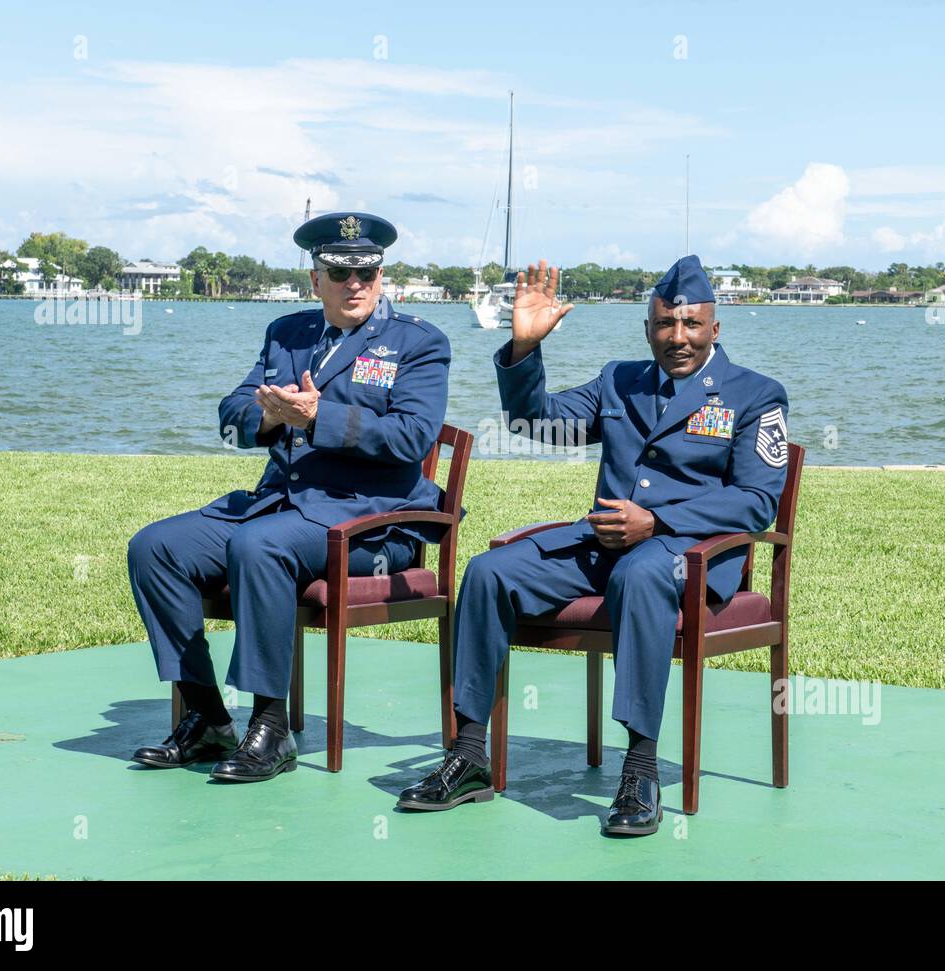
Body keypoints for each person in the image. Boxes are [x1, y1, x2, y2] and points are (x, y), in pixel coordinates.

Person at [397, 255, 789, 835]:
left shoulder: (754, 394)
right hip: (603, 543)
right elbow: (538, 422)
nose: (676, 337)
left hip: (691, 556)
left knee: (641, 576)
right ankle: (470, 753)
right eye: (664, 325)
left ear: (714, 328)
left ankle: (640, 770)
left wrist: (654, 520)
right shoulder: (619, 380)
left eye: (691, 325)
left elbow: (757, 502)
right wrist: (525, 349)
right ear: (648, 327)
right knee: (488, 571)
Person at [127, 212, 450, 782]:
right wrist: (270, 420)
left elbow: (411, 438)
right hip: (278, 504)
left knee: (259, 545)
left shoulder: (419, 342)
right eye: (340, 273)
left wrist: (320, 416)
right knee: (157, 547)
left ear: (381, 277)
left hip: (371, 521)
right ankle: (205, 717)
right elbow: (231, 415)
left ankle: (271, 728)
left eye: (368, 274)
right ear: (315, 280)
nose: (356, 285)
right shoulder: (287, 333)